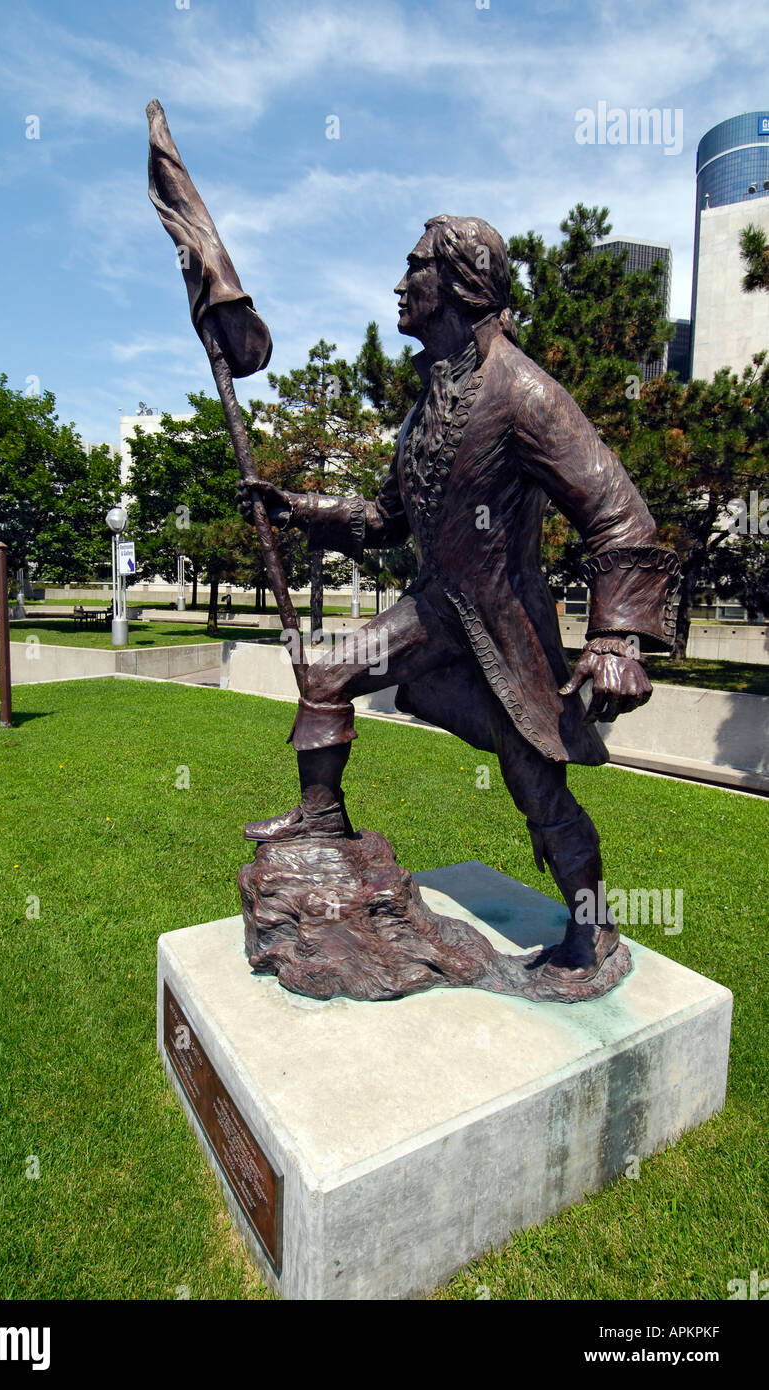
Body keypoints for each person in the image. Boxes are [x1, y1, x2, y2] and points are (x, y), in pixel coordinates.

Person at [237, 214, 680, 983]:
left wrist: (616, 638)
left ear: (460, 284)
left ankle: (594, 931)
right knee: (327, 675)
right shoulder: (427, 404)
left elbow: (619, 514)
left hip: (506, 633)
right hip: (437, 613)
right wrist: (296, 509)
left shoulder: (524, 392)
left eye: (415, 270)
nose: (400, 286)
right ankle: (322, 814)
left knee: (536, 789)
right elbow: (383, 518)